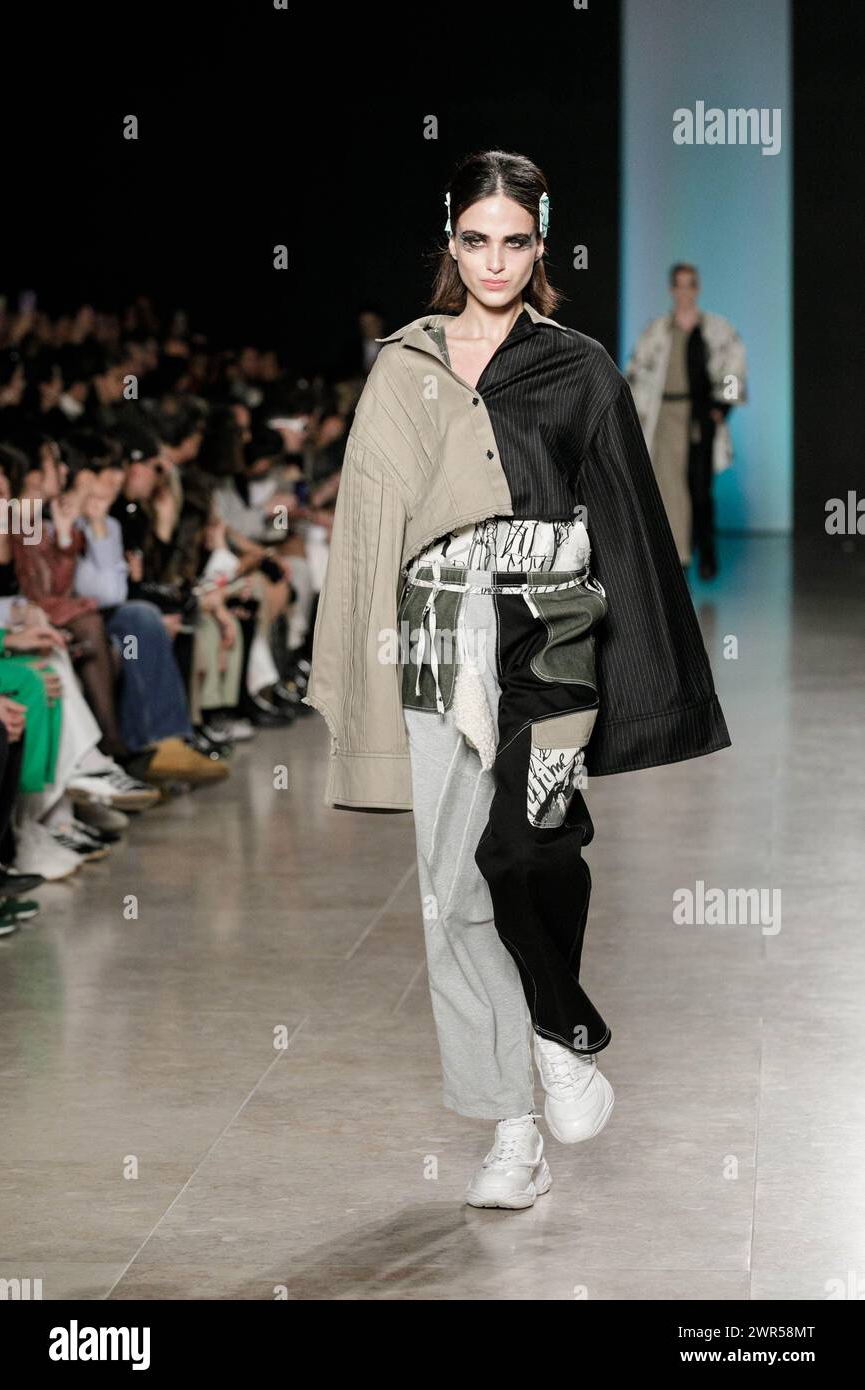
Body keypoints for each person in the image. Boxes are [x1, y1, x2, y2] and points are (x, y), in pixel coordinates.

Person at [304, 149, 732, 1210]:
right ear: (449, 240)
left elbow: (626, 521)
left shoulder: (577, 365)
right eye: (475, 239)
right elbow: (365, 536)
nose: (494, 260)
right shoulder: (401, 364)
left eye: (516, 241)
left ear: (540, 246)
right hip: (436, 634)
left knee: (531, 843)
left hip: (547, 628)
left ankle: (558, 1024)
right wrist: (354, 685)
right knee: (451, 895)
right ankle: (512, 1126)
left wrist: (648, 681)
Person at [624, 263, 747, 580]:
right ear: (671, 289)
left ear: (697, 288)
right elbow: (636, 371)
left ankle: (705, 551)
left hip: (699, 416)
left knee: (700, 487)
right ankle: (679, 557)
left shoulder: (716, 330)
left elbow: (734, 366)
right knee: (669, 487)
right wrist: (637, 414)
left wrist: (722, 405)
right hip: (665, 414)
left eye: (690, 284)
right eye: (679, 285)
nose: (684, 291)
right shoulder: (657, 332)